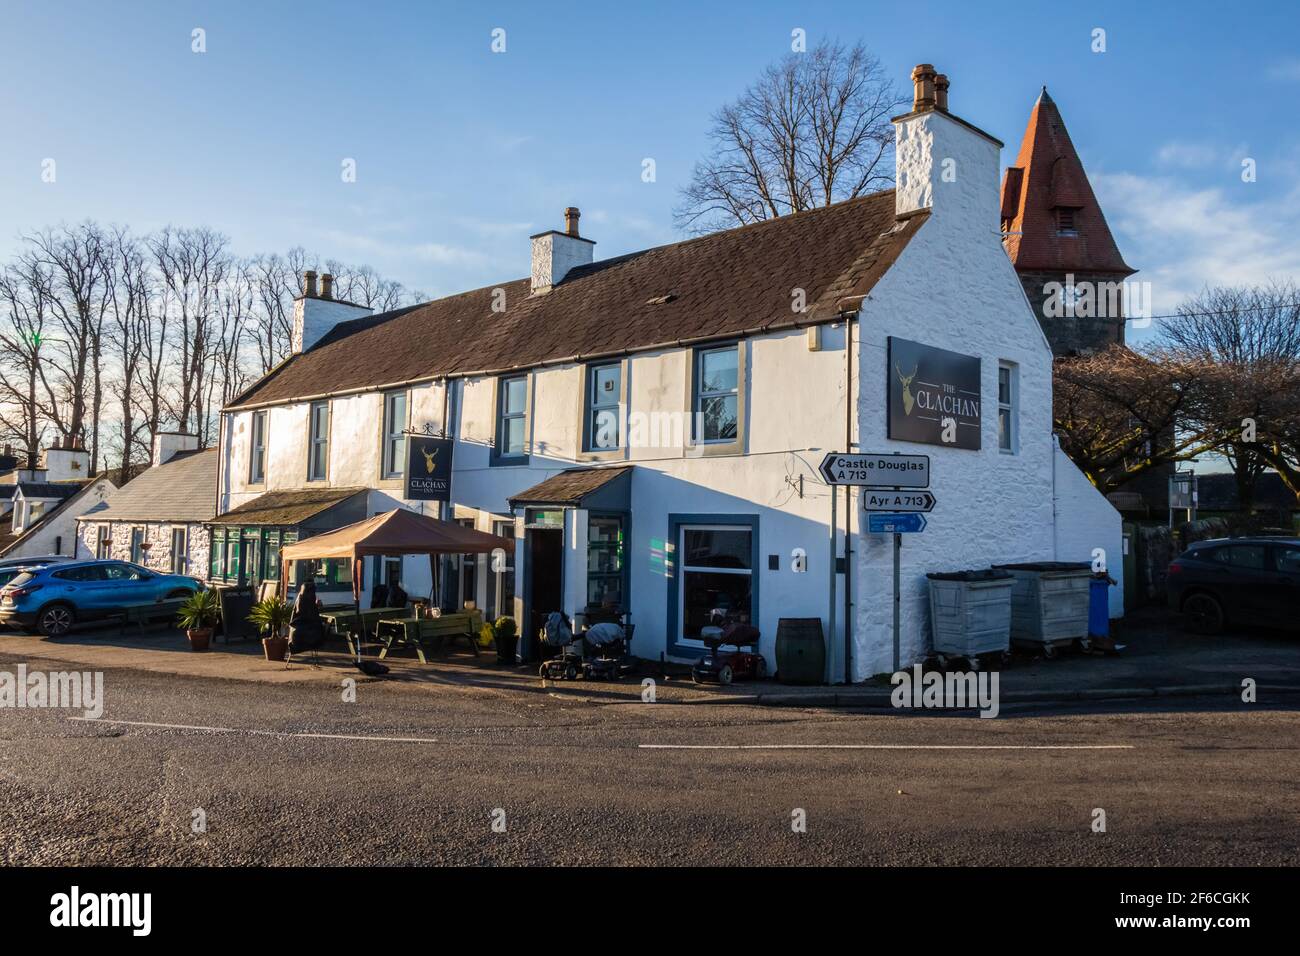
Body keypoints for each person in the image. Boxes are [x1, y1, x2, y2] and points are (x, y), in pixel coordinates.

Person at [289, 578, 325, 651]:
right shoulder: (309, 604)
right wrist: (317, 607)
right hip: (304, 639)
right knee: (323, 629)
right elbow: (313, 619)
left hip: (295, 637)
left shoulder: (300, 599)